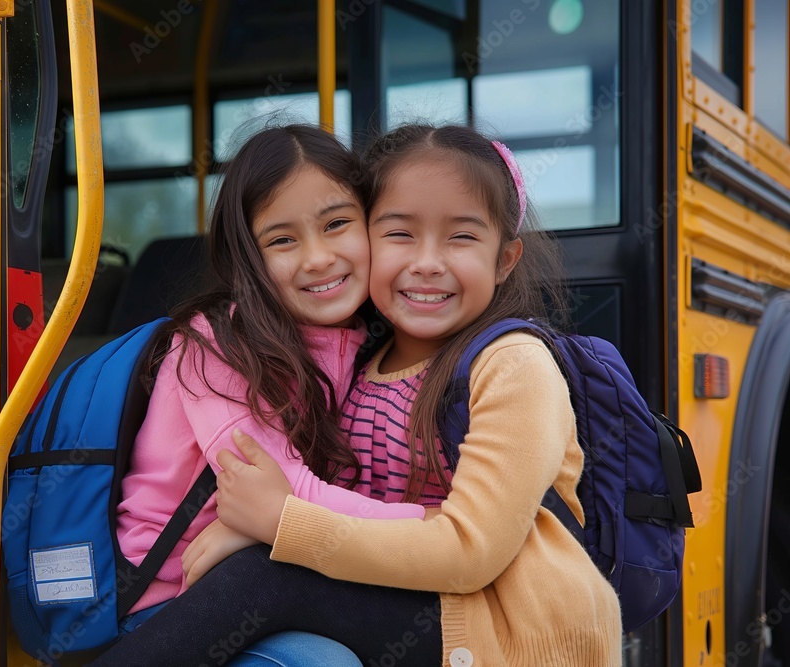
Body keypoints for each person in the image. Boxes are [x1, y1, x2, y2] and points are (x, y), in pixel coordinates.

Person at [88, 124, 624, 666]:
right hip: (427, 599)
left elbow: (468, 548)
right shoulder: (365, 358)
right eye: (400, 234)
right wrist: (270, 532)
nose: (428, 262)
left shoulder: (513, 365)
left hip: (510, 629)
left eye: (461, 236)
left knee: (262, 581)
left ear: (505, 259)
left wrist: (277, 530)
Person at [104, 124, 432, 667]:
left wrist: (258, 533)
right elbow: (282, 490)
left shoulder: (360, 340)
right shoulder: (217, 345)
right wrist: (440, 529)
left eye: (337, 224)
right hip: (171, 600)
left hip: (264, 564)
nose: (318, 257)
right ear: (247, 258)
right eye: (283, 240)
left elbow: (289, 504)